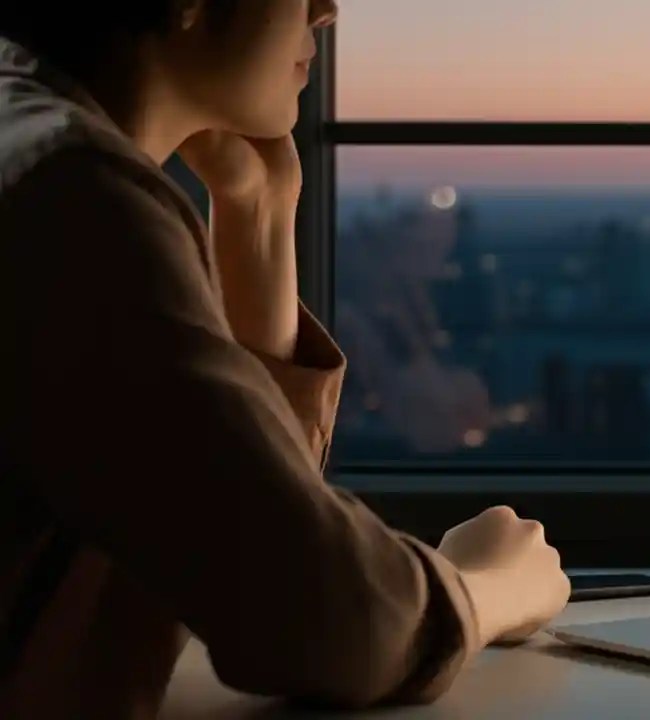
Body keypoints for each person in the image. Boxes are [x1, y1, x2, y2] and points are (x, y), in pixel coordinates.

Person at [0, 2, 569, 717]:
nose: (327, 11)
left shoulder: (32, 140)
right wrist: (489, 587)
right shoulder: (76, 200)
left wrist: (259, 213)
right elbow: (319, 616)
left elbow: (239, 531)